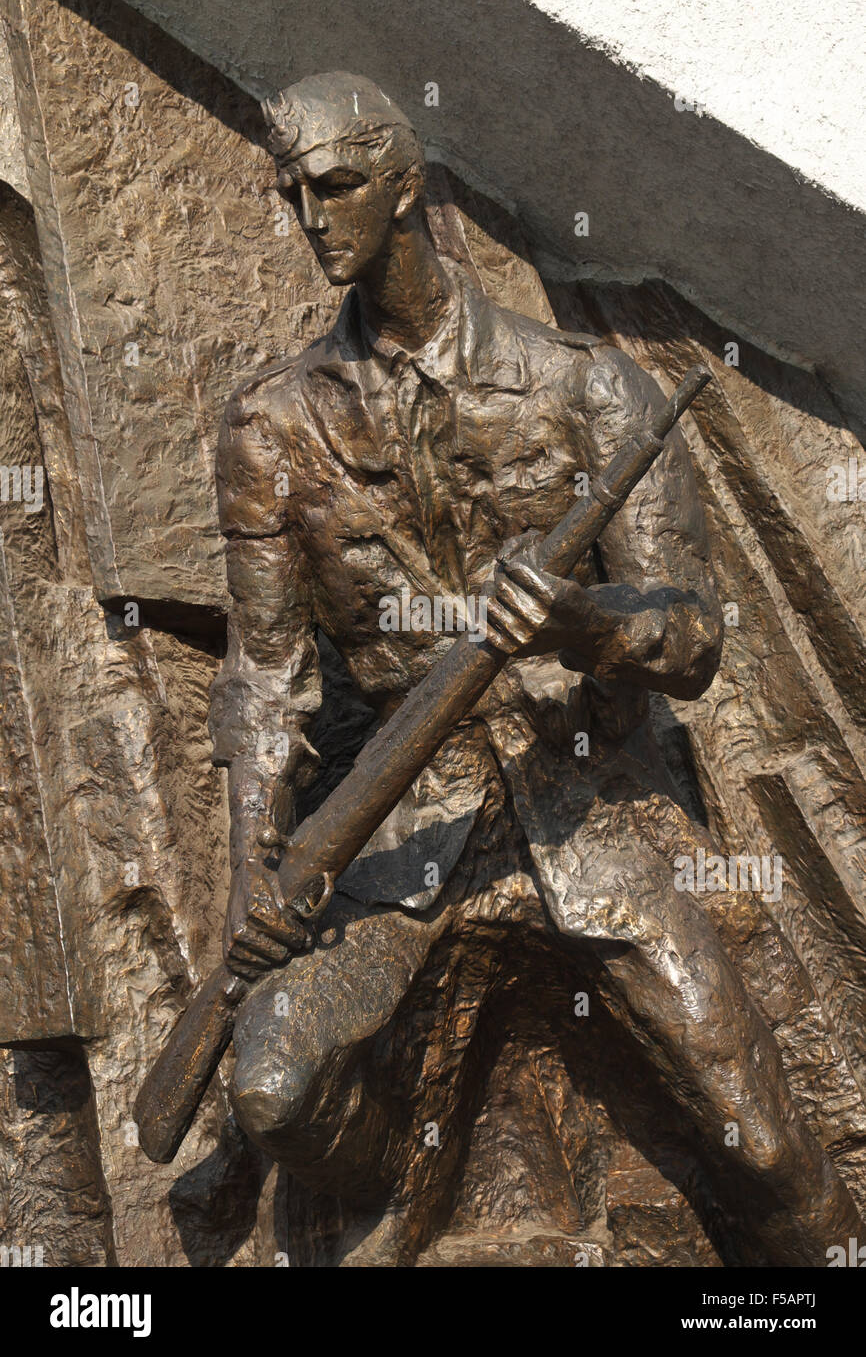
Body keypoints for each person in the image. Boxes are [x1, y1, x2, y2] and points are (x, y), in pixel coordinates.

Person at [209, 72, 860, 1264]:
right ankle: (415, 1173)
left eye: (337, 185)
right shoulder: (269, 426)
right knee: (273, 1090)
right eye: (290, 193)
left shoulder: (586, 386)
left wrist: (581, 626)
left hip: (584, 812)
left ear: (408, 186)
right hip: (402, 828)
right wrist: (253, 868)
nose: (311, 216)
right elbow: (262, 677)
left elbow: (693, 639)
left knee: (761, 1138)